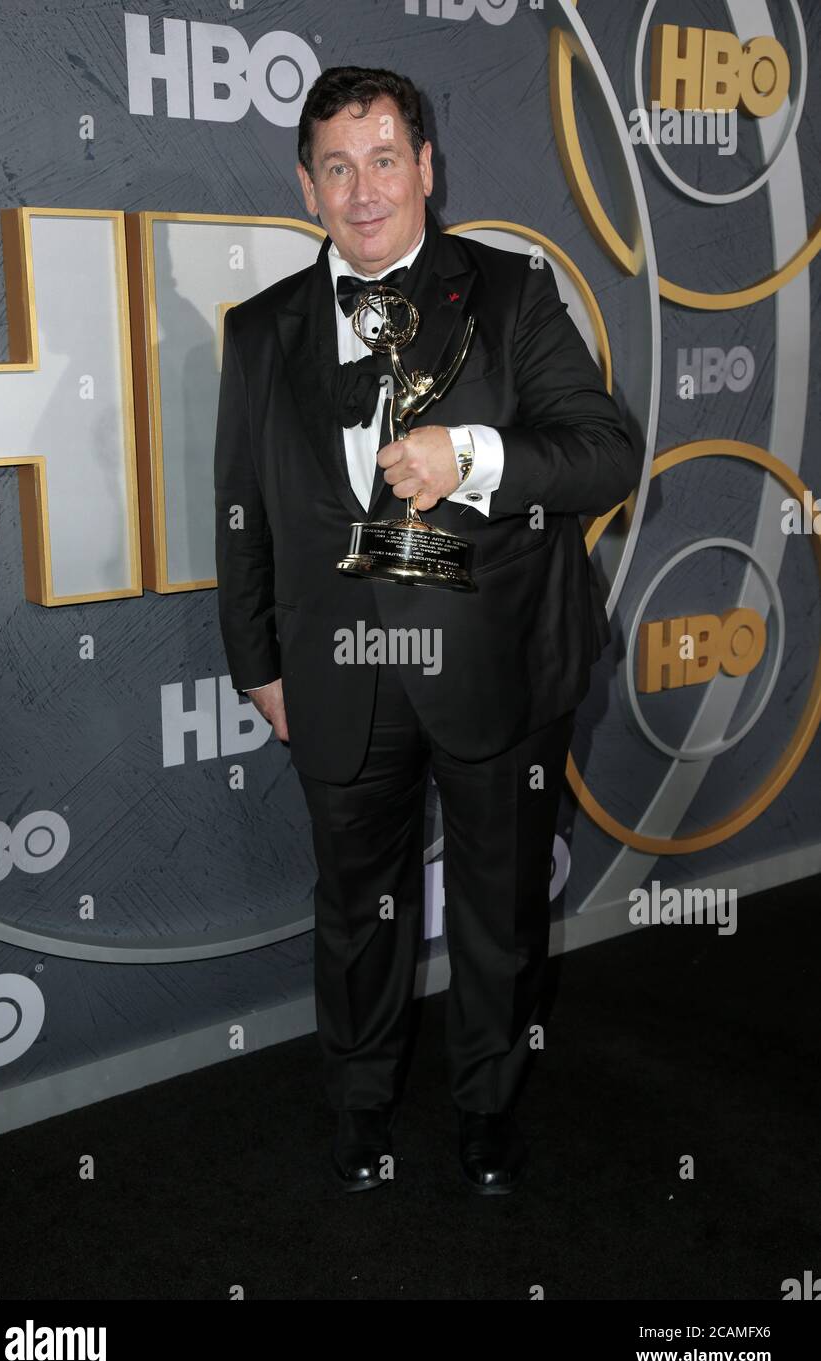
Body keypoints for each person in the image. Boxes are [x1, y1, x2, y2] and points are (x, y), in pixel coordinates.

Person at [214, 65, 639, 1195]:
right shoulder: (259, 332)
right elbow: (239, 510)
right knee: (356, 911)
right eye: (337, 167)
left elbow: (604, 452)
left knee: (499, 907)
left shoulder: (510, 292)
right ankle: (360, 1109)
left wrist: (476, 456)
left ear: (426, 166)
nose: (364, 191)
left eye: (384, 158)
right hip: (339, 674)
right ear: (306, 186)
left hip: (493, 662)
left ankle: (488, 1106)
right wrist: (256, 665)